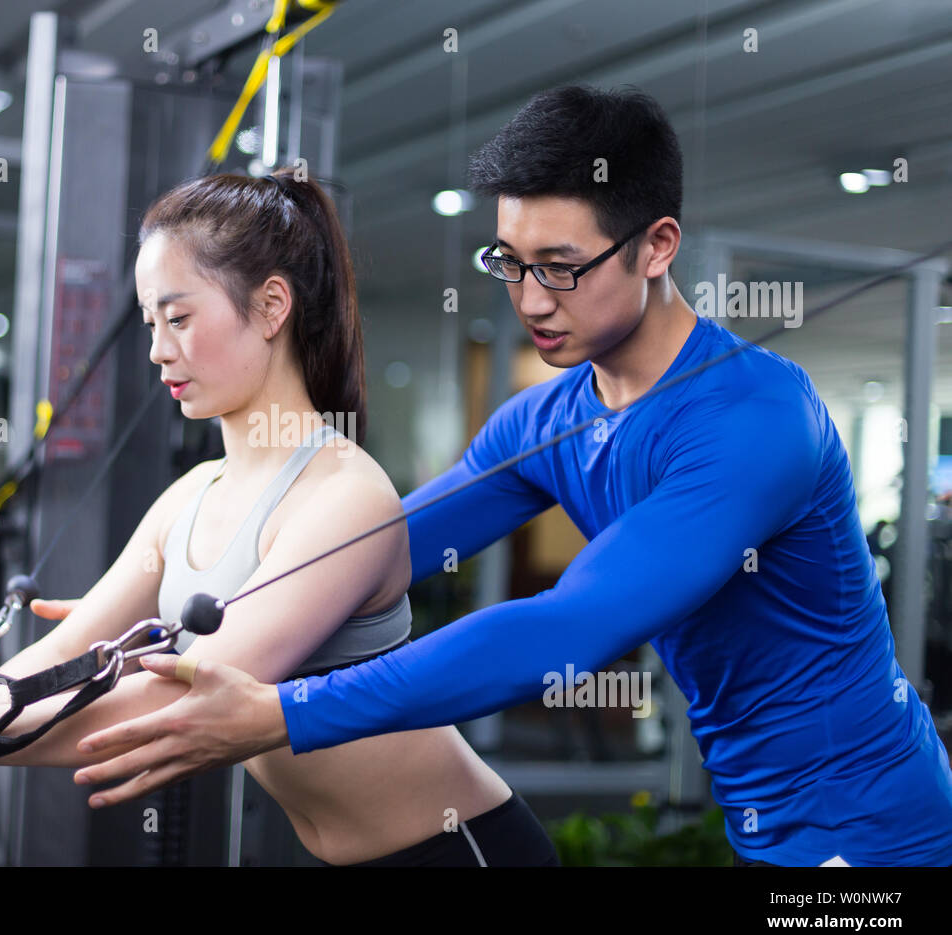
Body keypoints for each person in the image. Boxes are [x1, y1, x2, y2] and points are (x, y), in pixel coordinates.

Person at [71, 85, 952, 868]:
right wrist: (190, 594)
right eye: (509, 262)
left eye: (562, 267)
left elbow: (563, 630)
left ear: (657, 246)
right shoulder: (545, 420)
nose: (530, 298)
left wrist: (283, 713)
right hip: (756, 817)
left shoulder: (754, 420)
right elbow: (368, 550)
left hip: (875, 827)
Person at [0, 168, 559, 867]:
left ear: (270, 307)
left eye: (180, 316)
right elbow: (61, 656)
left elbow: (182, 705)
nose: (159, 348)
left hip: (460, 850)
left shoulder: (345, 496)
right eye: (151, 322)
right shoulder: (191, 494)